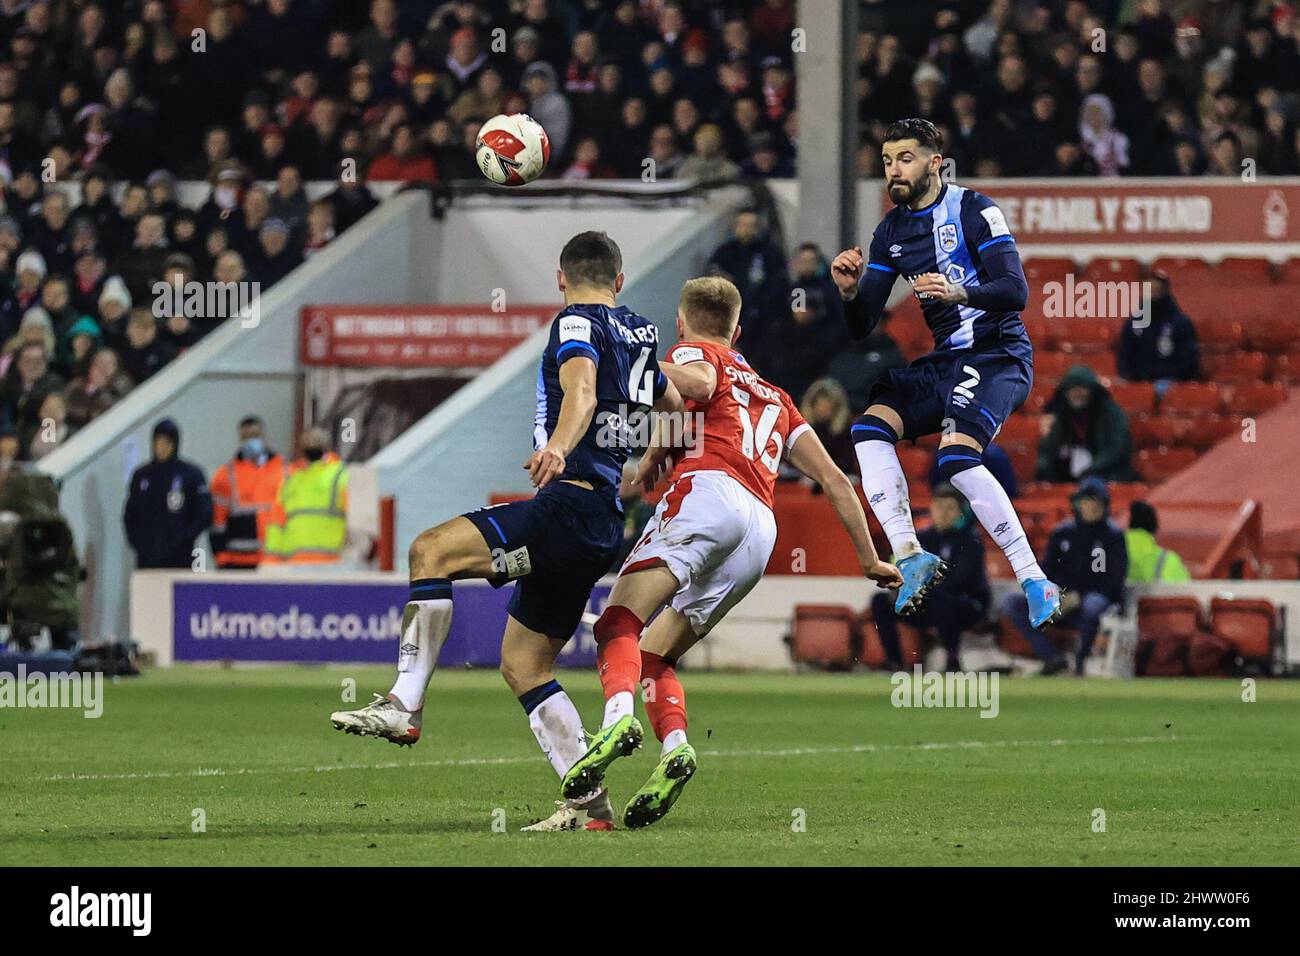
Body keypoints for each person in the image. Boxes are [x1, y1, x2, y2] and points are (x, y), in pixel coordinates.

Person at [329, 232, 686, 833]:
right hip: (600, 523)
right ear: (620, 281)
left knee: (429, 551)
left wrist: (558, 446)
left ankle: (403, 704)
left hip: (566, 506)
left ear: (560, 278)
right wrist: (651, 458)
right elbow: (674, 402)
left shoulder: (575, 322)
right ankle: (590, 808)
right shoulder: (644, 334)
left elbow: (581, 389)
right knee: (525, 663)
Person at [559, 277, 901, 828]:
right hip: (759, 529)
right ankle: (675, 749)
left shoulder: (694, 351)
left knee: (616, 625)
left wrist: (632, 353)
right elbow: (838, 480)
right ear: (738, 330)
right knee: (655, 656)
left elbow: (694, 382)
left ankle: (619, 720)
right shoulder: (776, 395)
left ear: (679, 321)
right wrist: (869, 559)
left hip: (708, 495)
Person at [829, 117, 1062, 631]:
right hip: (948, 361)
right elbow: (863, 325)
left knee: (956, 460)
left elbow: (1014, 290)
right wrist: (849, 291)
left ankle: (1033, 578)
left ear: (935, 163)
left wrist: (962, 293)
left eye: (906, 158)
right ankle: (910, 554)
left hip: (996, 352)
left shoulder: (977, 210)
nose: (895, 169)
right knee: (868, 429)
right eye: (888, 160)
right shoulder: (891, 232)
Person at [1003, 477, 1128, 676]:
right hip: (1060, 598)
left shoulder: (1112, 536)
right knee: (1013, 603)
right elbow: (1046, 570)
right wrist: (1053, 593)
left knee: (1093, 605)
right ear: (1077, 504)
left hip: (1093, 598)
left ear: (1104, 505)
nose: (1091, 507)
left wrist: (1078, 596)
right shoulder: (1062, 533)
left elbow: (1113, 578)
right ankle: (1052, 657)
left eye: (1096, 502)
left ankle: (1081, 661)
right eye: (1086, 501)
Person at [871, 483, 988, 673]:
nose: (943, 513)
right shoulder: (921, 539)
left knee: (944, 595)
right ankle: (894, 662)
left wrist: (923, 586)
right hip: (927, 600)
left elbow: (962, 580)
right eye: (939, 507)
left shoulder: (970, 540)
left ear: (960, 512)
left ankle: (952, 660)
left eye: (949, 508)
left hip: (968, 603)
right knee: (881, 601)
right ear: (931, 509)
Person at [124, 418, 213, 569]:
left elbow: (205, 513)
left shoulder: (190, 474)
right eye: (158, 442)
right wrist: (138, 543)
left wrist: (186, 538)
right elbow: (130, 514)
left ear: (175, 444)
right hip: (147, 558)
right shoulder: (142, 476)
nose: (162, 447)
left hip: (182, 559)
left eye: (167, 443)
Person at [209, 416, 287, 569]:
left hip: (276, 562)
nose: (251, 441)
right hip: (237, 561)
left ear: (264, 437)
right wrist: (221, 557)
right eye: (246, 437)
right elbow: (217, 523)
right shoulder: (225, 475)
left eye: (255, 436)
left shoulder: (284, 471)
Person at [1036, 364, 1137, 482]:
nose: (1076, 393)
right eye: (1072, 389)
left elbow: (1118, 448)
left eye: (1081, 388)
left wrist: (1092, 469)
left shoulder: (1110, 413)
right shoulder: (1060, 413)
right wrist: (1044, 467)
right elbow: (1048, 448)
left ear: (1092, 390)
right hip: (1069, 475)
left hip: (1107, 474)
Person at [263, 427, 349, 565]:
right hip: (295, 566)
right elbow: (276, 525)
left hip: (331, 566)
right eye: (308, 444)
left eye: (315, 443)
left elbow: (356, 523)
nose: (311, 447)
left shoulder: (341, 476)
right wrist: (270, 564)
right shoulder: (291, 481)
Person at [1116, 270, 1200, 389]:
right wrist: (1131, 378)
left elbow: (1189, 360)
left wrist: (1174, 378)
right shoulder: (1134, 323)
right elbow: (1124, 356)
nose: (1152, 295)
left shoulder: (1180, 323)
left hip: (1170, 382)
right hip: (1138, 382)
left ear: (1165, 292)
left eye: (1156, 290)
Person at [1125, 500, 1191, 583]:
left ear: (1130, 525)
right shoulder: (1168, 559)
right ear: (1155, 529)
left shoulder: (1110, 550)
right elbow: (1186, 589)